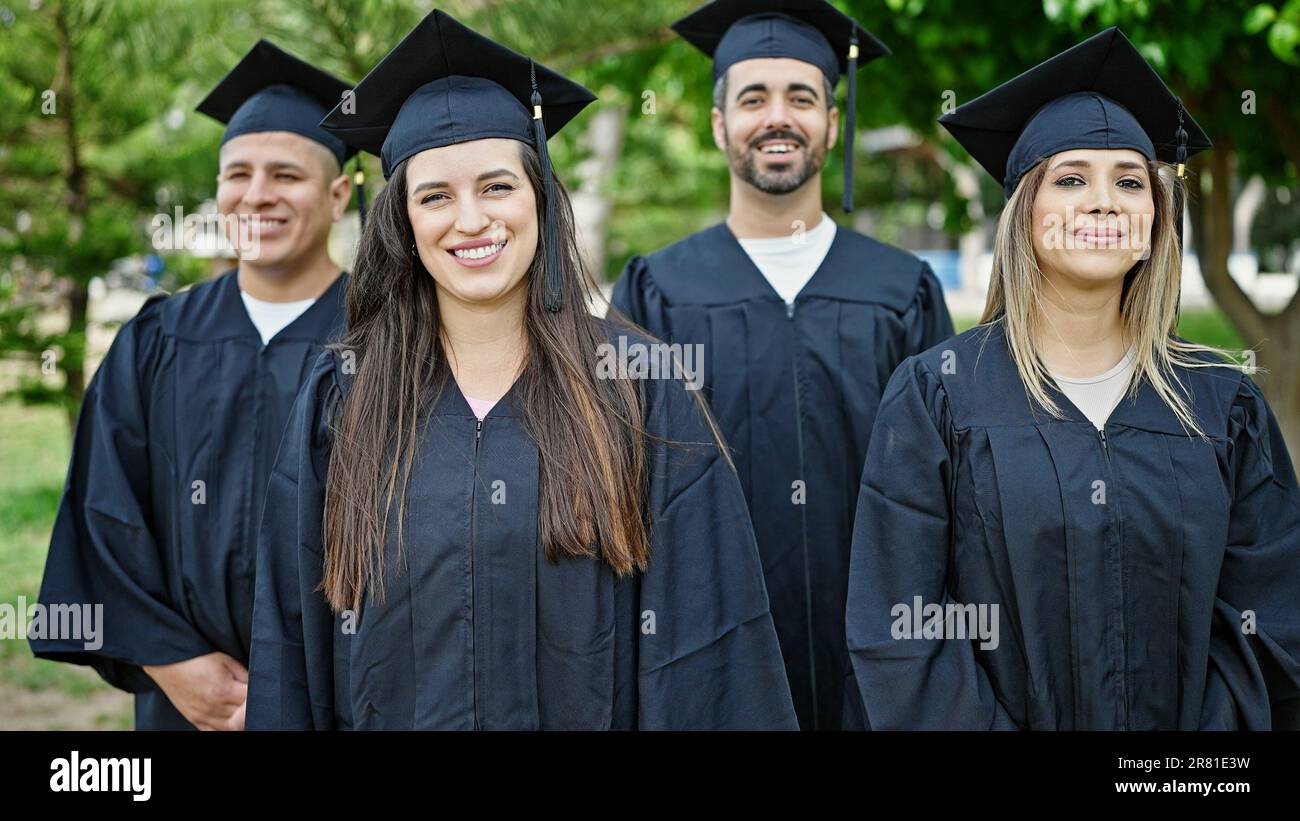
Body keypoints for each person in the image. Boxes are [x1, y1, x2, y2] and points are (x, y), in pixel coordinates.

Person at [245, 10, 797, 730]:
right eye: (435, 196)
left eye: (497, 186)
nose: (470, 219)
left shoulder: (641, 388)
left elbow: (708, 648)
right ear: (404, 227)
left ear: (539, 197)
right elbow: (294, 644)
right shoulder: (343, 397)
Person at [846, 27, 1300, 730]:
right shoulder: (939, 394)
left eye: (1128, 180)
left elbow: (1269, 621)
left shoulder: (1222, 403)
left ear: (1155, 216)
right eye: (1070, 178)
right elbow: (904, 628)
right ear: (1024, 211)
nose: (1104, 201)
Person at [612, 0, 954, 730]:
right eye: (752, 98)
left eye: (802, 97)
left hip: (878, 655)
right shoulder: (657, 289)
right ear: (717, 124)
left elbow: (949, 490)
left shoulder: (901, 289)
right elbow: (621, 485)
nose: (778, 117)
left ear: (832, 121)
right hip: (707, 648)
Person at [30, 41, 356, 730]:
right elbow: (105, 510)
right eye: (237, 173)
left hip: (345, 699)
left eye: (286, 175)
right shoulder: (156, 341)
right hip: (187, 708)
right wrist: (170, 661)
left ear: (337, 195)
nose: (257, 193)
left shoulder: (387, 340)